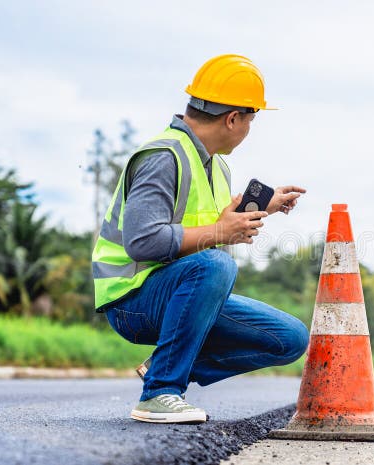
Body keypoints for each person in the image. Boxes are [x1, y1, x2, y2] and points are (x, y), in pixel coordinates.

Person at [91, 55, 309, 424]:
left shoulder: (215, 164)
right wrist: (222, 233)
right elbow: (142, 243)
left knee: (289, 338)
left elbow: (210, 221)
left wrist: (263, 207)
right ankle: (160, 392)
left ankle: (165, 365)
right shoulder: (164, 157)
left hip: (185, 295)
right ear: (233, 118)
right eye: (252, 118)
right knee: (217, 263)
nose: (249, 127)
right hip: (132, 300)